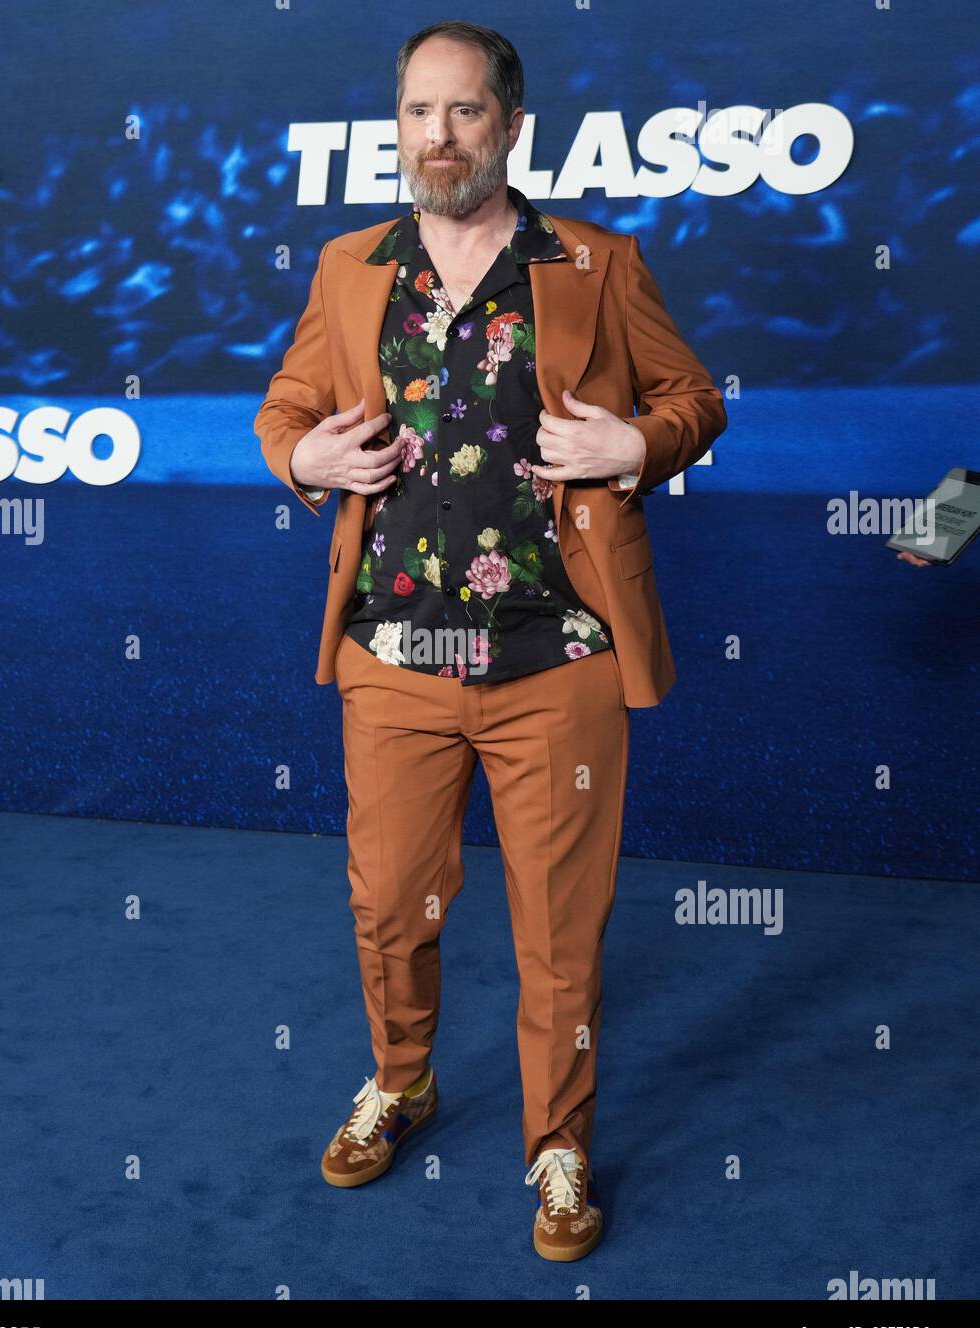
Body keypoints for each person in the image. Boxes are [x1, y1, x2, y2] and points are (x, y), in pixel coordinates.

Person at [254, 20, 727, 1261]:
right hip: (390, 660)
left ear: (509, 124)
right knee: (385, 906)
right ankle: (401, 1078)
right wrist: (303, 456)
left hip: (554, 659)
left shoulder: (592, 262)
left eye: (463, 112)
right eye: (417, 112)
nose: (437, 136)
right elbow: (286, 408)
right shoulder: (349, 266)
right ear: (396, 126)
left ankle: (557, 1145)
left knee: (558, 930)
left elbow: (694, 398)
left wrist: (639, 445)